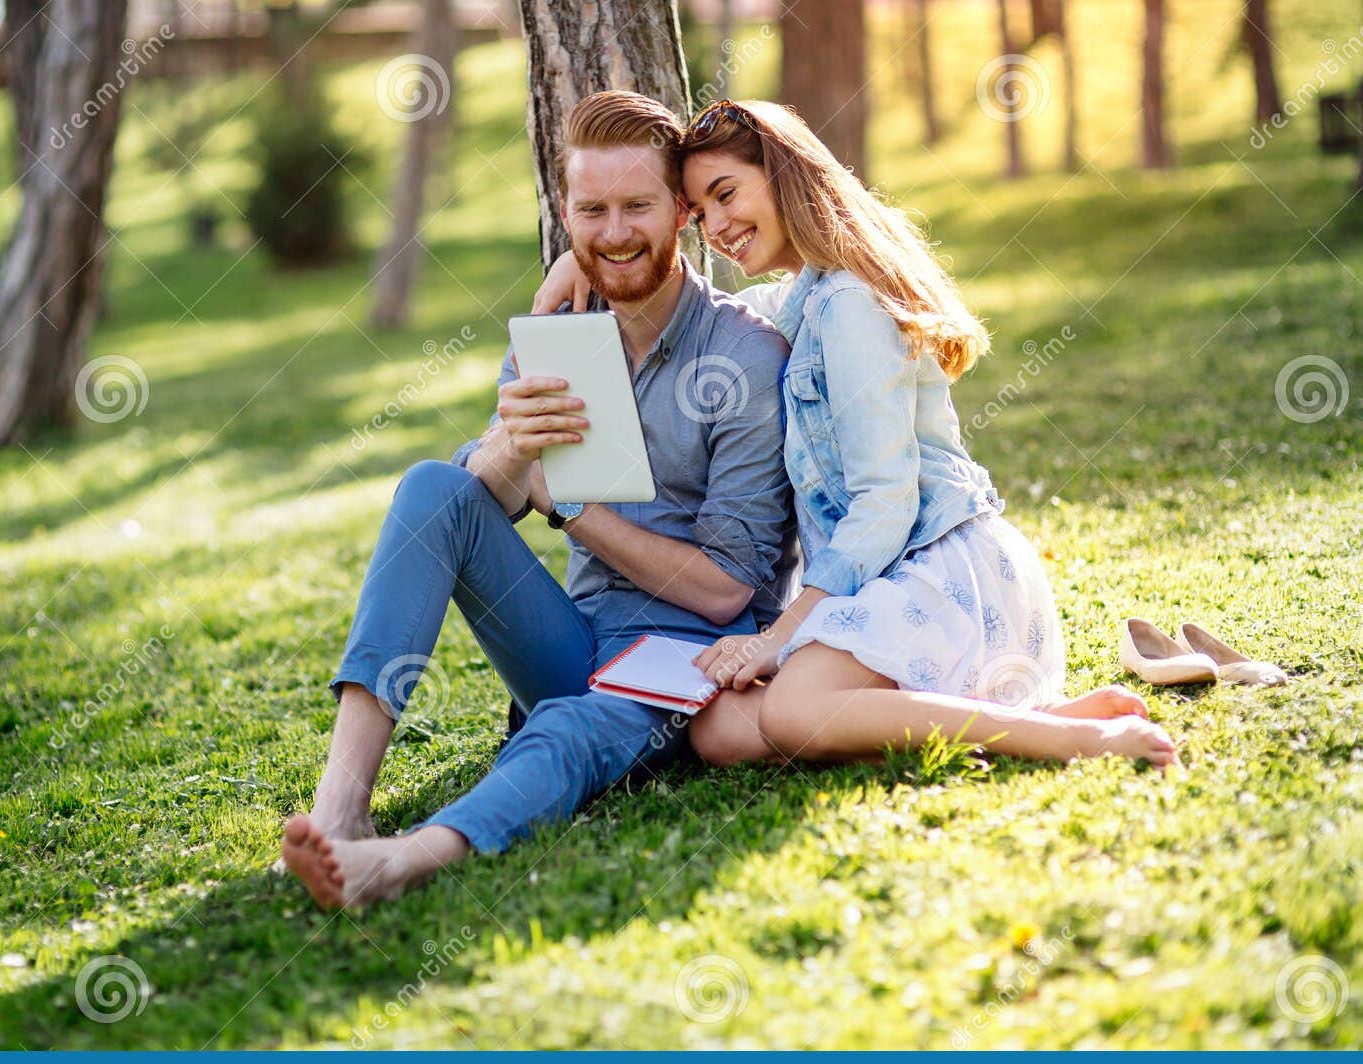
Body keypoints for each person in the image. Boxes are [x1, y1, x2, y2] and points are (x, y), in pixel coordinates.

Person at [534, 99, 1178, 770]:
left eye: (727, 194)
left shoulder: (848, 305)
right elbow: (708, 314)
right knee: (719, 729)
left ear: (782, 176)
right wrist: (587, 265)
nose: (718, 226)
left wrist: (779, 637)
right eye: (702, 210)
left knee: (788, 710)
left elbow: (886, 508)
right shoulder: (800, 303)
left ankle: (1071, 740)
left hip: (934, 570)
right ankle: (1020, 717)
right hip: (875, 586)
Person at [280, 91, 796, 910]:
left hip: (689, 660)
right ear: (566, 213)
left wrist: (572, 509)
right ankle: (341, 806)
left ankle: (402, 860)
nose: (615, 232)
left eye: (638, 206)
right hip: (574, 637)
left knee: (566, 731)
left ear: (683, 211)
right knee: (431, 484)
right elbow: (468, 507)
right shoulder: (559, 332)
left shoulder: (747, 356)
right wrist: (507, 450)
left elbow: (728, 588)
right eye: (593, 209)